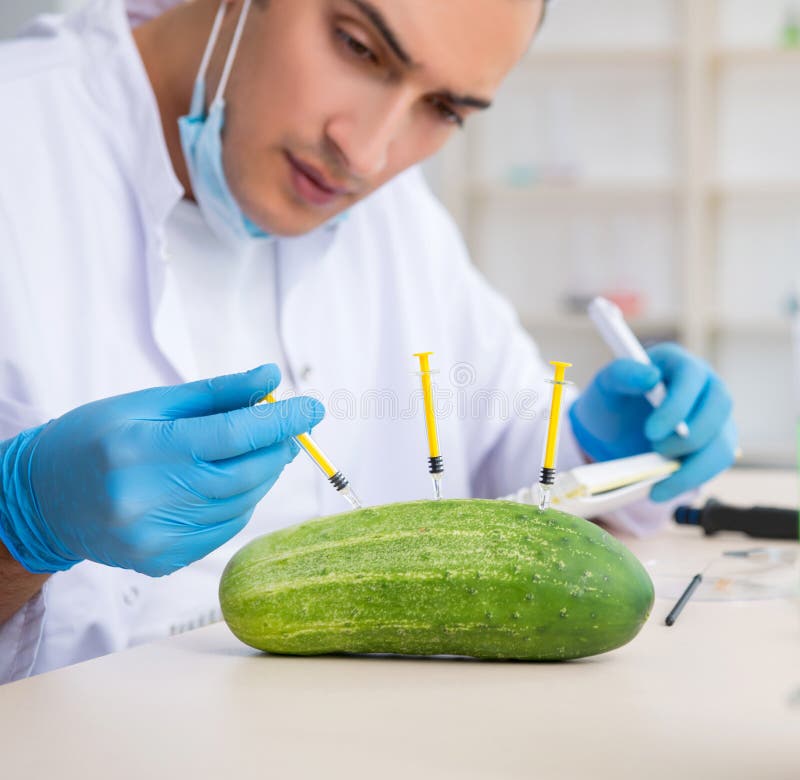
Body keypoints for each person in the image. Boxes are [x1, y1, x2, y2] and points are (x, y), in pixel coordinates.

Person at [0, 0, 736, 683]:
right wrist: (20, 521)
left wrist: (601, 455)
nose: (367, 153)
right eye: (357, 46)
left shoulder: (400, 219)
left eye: (443, 108)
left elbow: (516, 465)